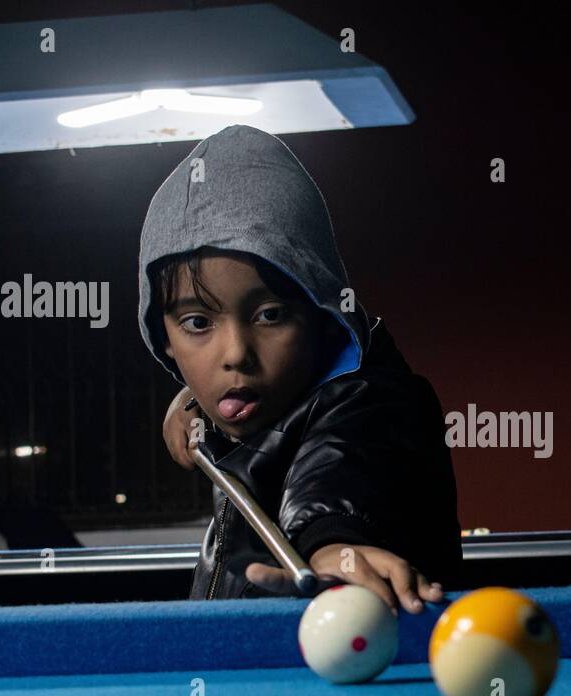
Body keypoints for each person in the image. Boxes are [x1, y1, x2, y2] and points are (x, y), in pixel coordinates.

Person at [137, 125, 461, 613]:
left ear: (322, 312)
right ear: (165, 339)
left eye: (270, 315)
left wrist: (334, 545)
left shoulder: (376, 402)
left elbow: (342, 467)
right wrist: (185, 402)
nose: (235, 355)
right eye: (198, 322)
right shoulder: (266, 400)